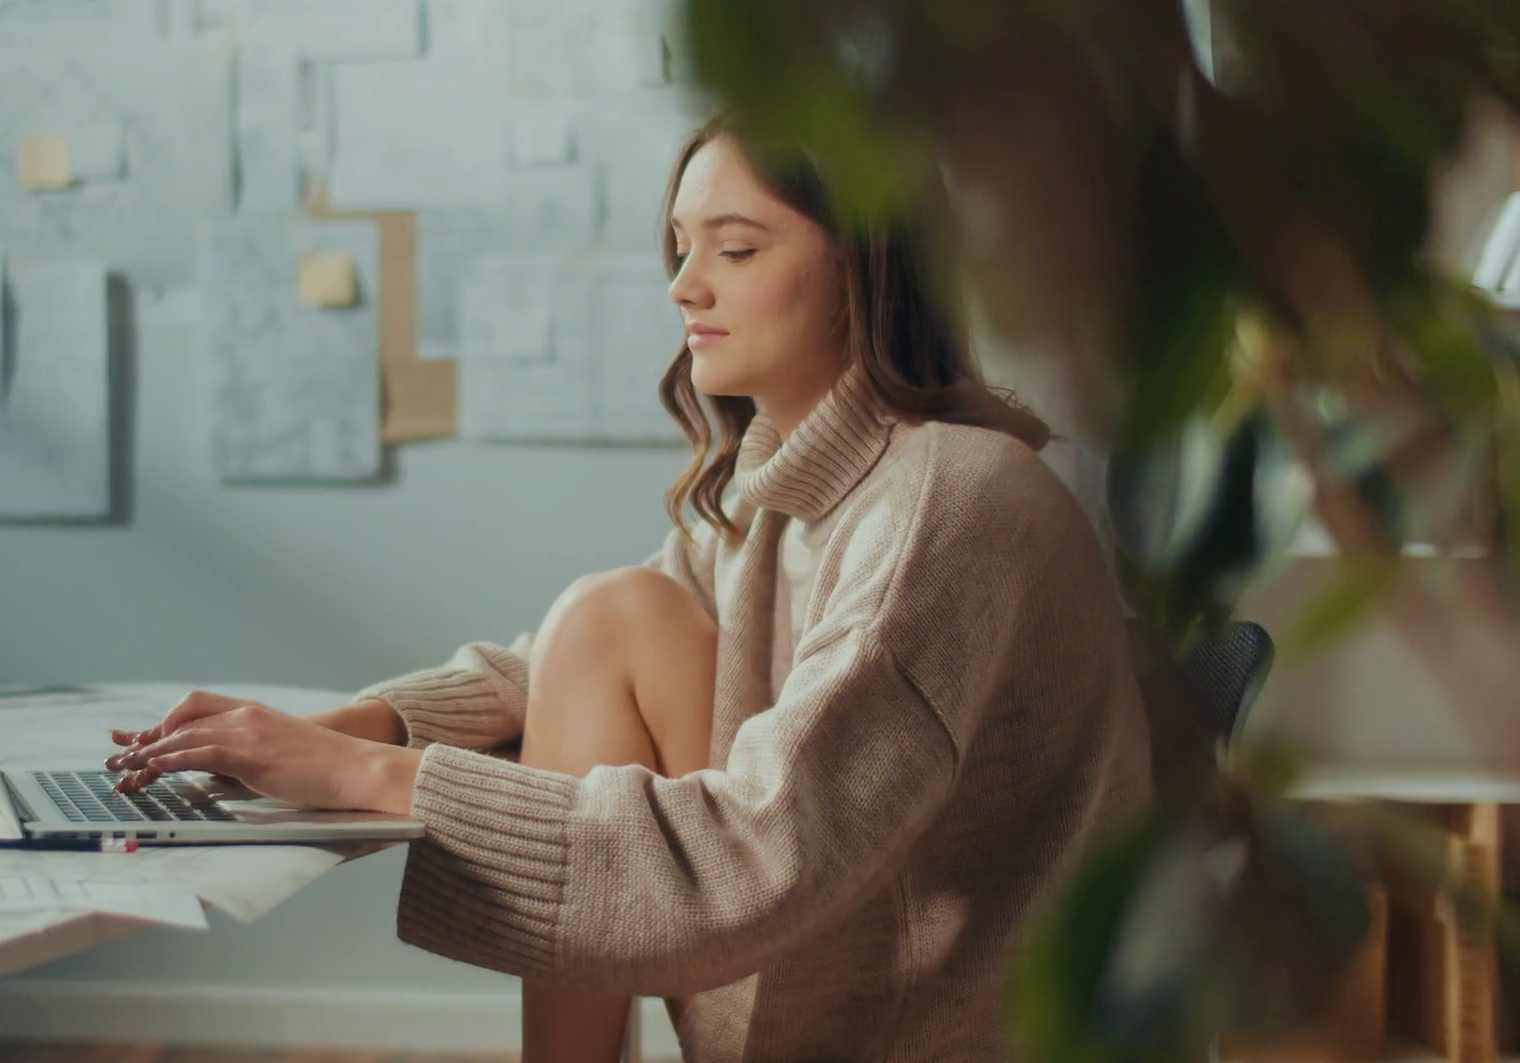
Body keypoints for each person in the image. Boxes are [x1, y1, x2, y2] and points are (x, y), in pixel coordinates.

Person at [105, 114, 1150, 1062]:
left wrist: (363, 779)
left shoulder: (949, 501)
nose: (684, 286)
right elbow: (558, 664)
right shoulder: (780, 487)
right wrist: (351, 729)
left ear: (864, 265)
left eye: (734, 249)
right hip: (844, 972)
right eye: (682, 248)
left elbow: (763, 850)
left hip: (918, 1029)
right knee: (611, 617)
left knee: (609, 625)